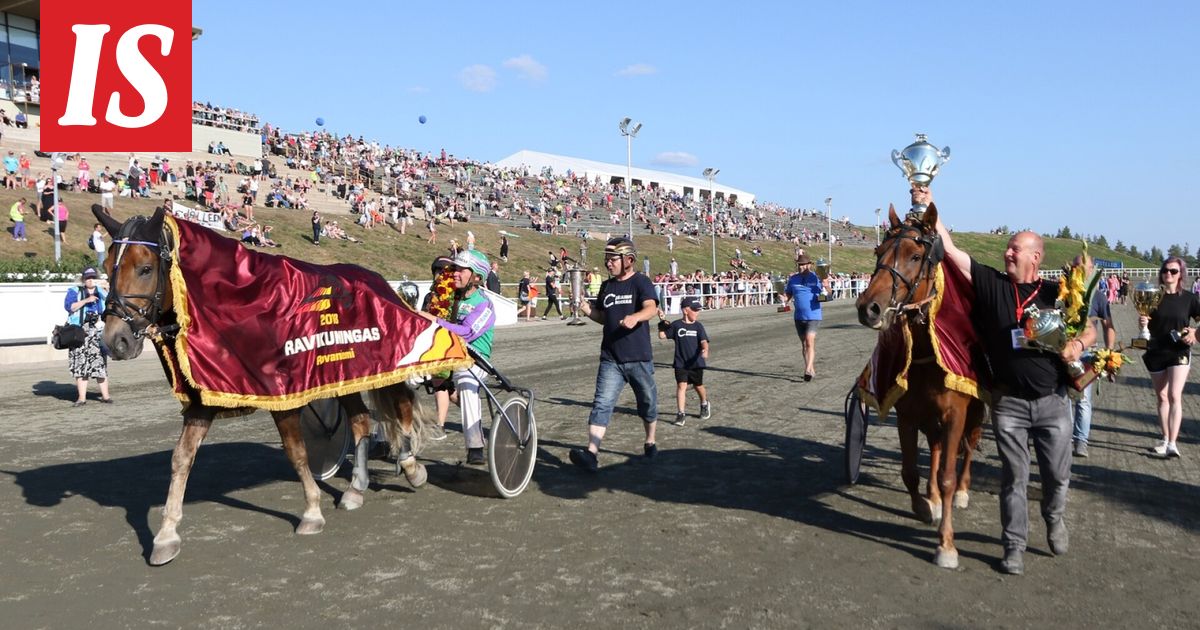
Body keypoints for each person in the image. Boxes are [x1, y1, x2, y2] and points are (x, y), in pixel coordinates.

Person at [925, 185, 1093, 576]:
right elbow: (949, 249)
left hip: (1053, 402)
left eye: (1015, 248)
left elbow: (1091, 331)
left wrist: (1078, 345)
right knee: (1013, 478)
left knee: (1056, 476)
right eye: (1007, 248)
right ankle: (1013, 546)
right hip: (1010, 405)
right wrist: (926, 201)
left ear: (1035, 257)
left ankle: (1053, 517)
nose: (1008, 253)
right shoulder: (992, 285)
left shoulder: (1057, 293)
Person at [569, 236, 660, 472]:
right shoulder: (607, 286)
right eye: (607, 259)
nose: (608, 263)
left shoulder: (641, 282)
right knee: (602, 404)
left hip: (638, 357)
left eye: (612, 259)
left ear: (628, 260)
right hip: (611, 358)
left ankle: (650, 440)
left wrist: (635, 317)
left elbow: (651, 308)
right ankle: (591, 453)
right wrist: (586, 309)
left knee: (647, 403)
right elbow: (603, 317)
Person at [418, 250, 496, 465]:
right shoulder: (446, 295)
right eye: (455, 269)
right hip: (443, 354)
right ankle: (381, 438)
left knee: (466, 381)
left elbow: (467, 333)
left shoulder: (484, 304)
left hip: (473, 358)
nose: (455, 273)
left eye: (462, 270)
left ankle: (475, 446)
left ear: (477, 277)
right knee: (401, 375)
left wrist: (434, 320)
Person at [1138, 256, 1200, 458]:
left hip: (1179, 351)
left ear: (1181, 273)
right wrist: (1143, 323)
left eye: (1173, 271)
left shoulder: (1190, 299)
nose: (1168, 274)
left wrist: (1194, 334)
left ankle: (1173, 443)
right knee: (1162, 397)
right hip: (1156, 350)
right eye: (1165, 270)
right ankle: (1164, 439)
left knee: (1174, 395)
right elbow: (1148, 323)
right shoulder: (1153, 297)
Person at [1071, 261, 1118, 458]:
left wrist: (1109, 354)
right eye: (1077, 266)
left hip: (1089, 356)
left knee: (1083, 399)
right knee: (1061, 399)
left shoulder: (1098, 298)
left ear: (1092, 271)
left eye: (1085, 267)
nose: (1081, 270)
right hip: (1065, 353)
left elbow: (1109, 326)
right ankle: (1062, 439)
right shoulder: (1064, 293)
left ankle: (1081, 441)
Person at [658, 296, 710, 426]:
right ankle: (681, 414)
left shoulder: (698, 326)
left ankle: (704, 403)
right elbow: (662, 336)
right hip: (681, 362)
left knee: (698, 386)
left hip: (696, 362)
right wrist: (662, 321)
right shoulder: (676, 325)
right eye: (695, 310)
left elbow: (704, 341)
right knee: (682, 386)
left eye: (698, 310)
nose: (697, 312)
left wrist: (705, 350)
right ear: (686, 310)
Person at [64, 267, 112, 407]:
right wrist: (86, 300)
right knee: (80, 366)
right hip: (80, 332)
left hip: (98, 331)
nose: (90, 280)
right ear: (83, 279)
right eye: (87, 278)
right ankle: (81, 398)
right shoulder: (75, 291)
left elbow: (112, 306)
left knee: (100, 365)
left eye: (92, 277)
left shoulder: (103, 292)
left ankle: (106, 396)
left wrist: (108, 290)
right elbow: (69, 307)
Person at [785, 254, 826, 381]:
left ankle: (807, 370)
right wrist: (783, 299)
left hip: (813, 315)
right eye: (799, 264)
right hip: (798, 316)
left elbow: (828, 293)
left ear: (809, 265)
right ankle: (810, 367)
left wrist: (826, 284)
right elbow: (788, 296)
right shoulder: (793, 279)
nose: (801, 267)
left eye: (803, 264)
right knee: (804, 345)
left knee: (809, 341)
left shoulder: (816, 277)